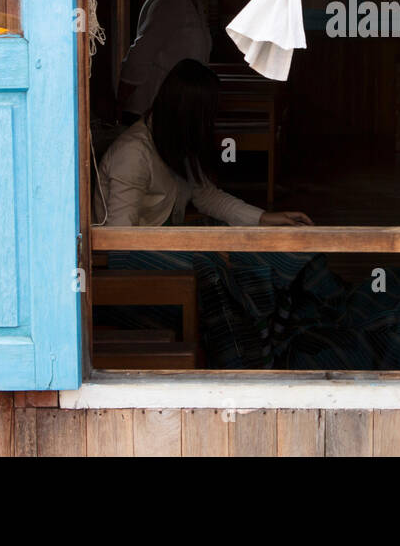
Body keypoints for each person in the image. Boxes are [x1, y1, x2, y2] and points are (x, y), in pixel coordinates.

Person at [97, 58, 314, 367]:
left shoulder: (173, 143)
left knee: (261, 252)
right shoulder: (133, 154)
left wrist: (265, 219)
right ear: (188, 114)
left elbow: (206, 196)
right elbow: (119, 240)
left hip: (165, 248)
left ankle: (270, 339)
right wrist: (195, 247)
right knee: (211, 265)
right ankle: (241, 356)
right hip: (128, 264)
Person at [117, 0, 225, 122]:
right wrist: (119, 106)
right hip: (151, 112)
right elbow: (139, 57)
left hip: (177, 110)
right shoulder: (170, 1)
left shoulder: (194, 1)